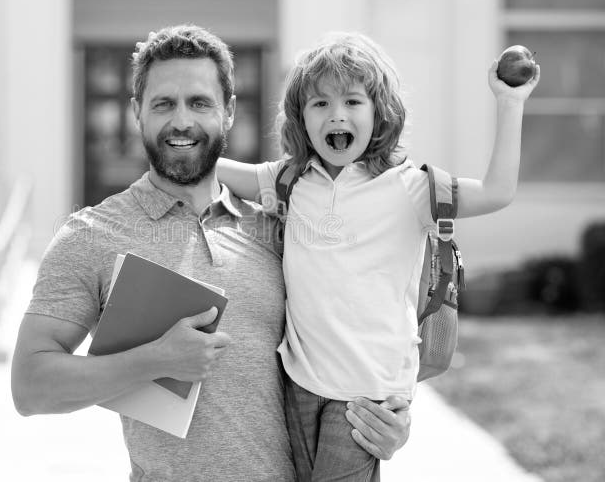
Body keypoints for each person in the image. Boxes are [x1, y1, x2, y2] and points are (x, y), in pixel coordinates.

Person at [11, 25, 412, 482]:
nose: (182, 121)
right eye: (164, 103)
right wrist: (155, 359)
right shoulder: (92, 235)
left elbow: (359, 331)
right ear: (136, 113)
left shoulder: (281, 229)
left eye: (199, 103)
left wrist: (386, 419)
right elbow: (30, 387)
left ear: (229, 113)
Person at [216, 31, 540, 481]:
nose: (336, 115)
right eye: (320, 104)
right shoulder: (291, 180)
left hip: (366, 397)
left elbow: (498, 192)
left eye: (352, 102)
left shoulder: (410, 189)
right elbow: (220, 171)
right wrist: (174, 143)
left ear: (379, 113)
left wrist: (510, 102)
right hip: (297, 382)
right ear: (301, 118)